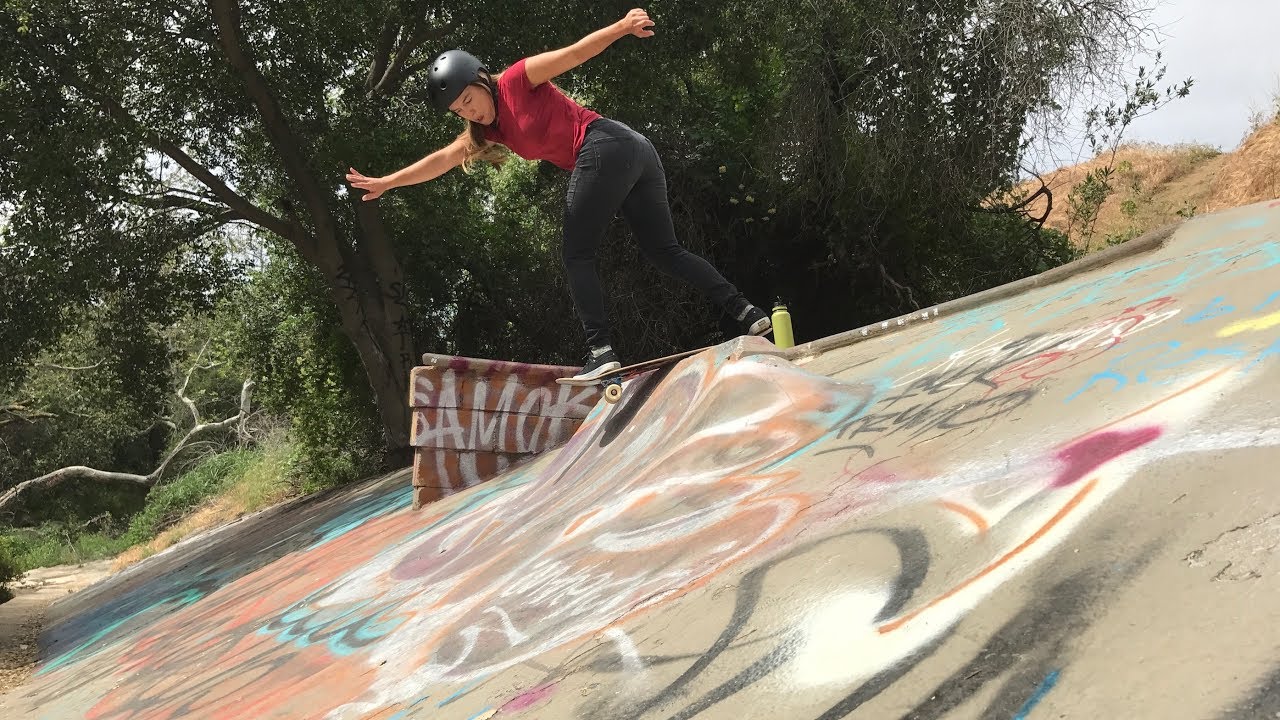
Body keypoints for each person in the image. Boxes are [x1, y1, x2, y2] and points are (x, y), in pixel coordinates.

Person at [346, 8, 772, 381]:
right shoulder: (485, 132)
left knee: (576, 252)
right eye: (459, 110)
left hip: (607, 144)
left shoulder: (516, 79)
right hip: (632, 154)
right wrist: (387, 182)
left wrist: (622, 27)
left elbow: (573, 54)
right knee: (665, 251)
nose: (469, 111)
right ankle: (747, 313)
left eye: (468, 99)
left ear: (480, 78)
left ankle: (600, 351)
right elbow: (440, 160)